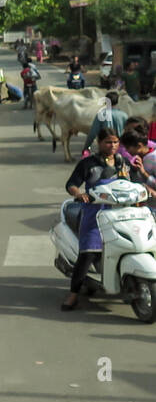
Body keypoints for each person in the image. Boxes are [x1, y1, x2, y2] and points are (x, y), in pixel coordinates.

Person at [62, 129, 131, 310]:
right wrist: (79, 194)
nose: (112, 146)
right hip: (95, 214)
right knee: (88, 254)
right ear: (99, 143)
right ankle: (73, 295)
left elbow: (130, 184)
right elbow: (71, 184)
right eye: (108, 142)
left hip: (119, 213)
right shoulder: (88, 164)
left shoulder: (122, 162)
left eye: (115, 142)